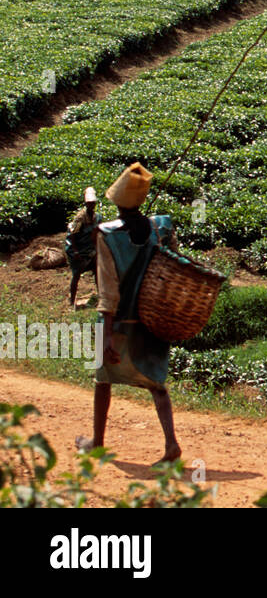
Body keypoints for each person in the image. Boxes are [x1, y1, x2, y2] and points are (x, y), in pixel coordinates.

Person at [77, 163, 182, 465]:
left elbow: (108, 290)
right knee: (157, 384)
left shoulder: (107, 235)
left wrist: (107, 332)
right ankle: (171, 444)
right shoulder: (160, 226)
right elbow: (172, 263)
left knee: (103, 380)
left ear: (116, 201)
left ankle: (97, 442)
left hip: (119, 321)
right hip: (151, 319)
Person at [65, 187, 99, 307]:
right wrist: (75, 251)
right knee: (76, 275)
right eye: (89, 204)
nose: (91, 206)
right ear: (86, 204)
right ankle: (72, 300)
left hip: (91, 250)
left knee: (97, 272)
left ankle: (100, 296)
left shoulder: (96, 217)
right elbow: (73, 235)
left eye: (93, 203)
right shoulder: (80, 217)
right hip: (79, 250)